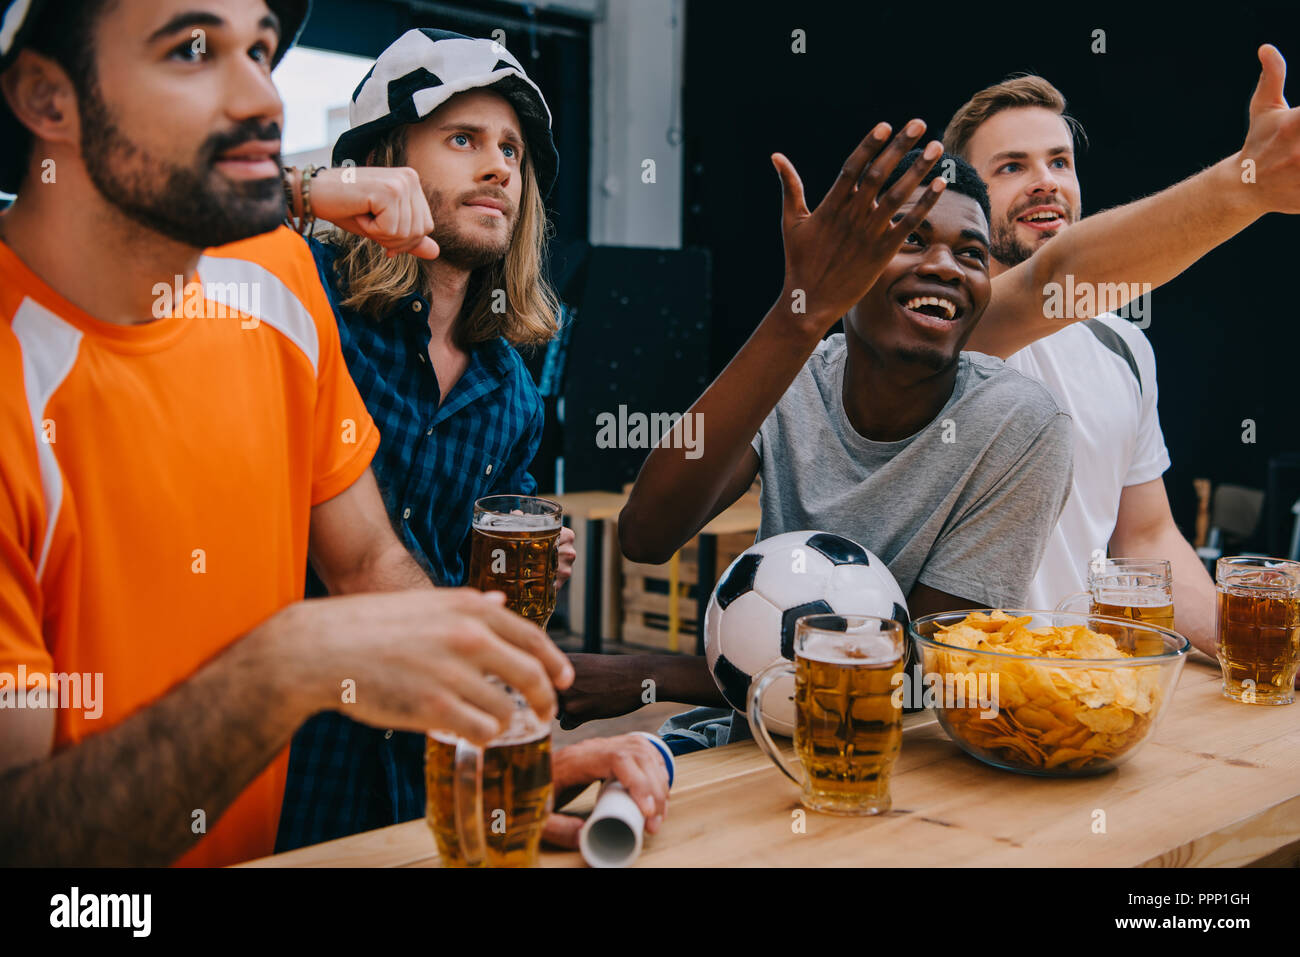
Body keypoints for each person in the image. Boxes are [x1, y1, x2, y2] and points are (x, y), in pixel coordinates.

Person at [0, 0, 662, 866]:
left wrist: (495, 750)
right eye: (193, 49)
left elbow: (364, 562)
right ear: (47, 98)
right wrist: (286, 665)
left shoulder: (275, 282)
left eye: (265, 51)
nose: (261, 97)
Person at [570, 128, 1075, 752]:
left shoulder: (1020, 424)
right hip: (756, 746)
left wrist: (648, 676)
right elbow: (647, 533)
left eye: (972, 254)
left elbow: (919, 671)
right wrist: (799, 311)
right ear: (849, 265)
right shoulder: (793, 371)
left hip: (904, 766)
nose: (944, 266)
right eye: (910, 240)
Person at [273, 29, 639, 852]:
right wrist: (315, 190)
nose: (499, 167)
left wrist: (509, 577)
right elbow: (182, 224)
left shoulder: (510, 386)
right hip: (292, 755)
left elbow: (464, 587)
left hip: (431, 765)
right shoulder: (300, 297)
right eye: (463, 139)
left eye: (512, 150)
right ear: (384, 156)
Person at [946, 76, 1222, 653]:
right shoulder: (943, 322)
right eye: (1012, 168)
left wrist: (1248, 640)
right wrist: (1250, 182)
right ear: (963, 201)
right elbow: (1055, 281)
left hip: (1080, 694)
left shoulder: (1123, 344)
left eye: (1059, 163)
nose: (1046, 182)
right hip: (953, 698)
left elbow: (1145, 538)